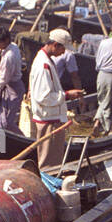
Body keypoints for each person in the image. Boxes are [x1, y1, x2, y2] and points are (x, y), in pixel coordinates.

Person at [28, 27, 84, 169]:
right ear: (55, 45)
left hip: (50, 117)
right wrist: (67, 95)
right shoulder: (43, 65)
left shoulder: (45, 60)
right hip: (48, 120)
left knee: (52, 161)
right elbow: (43, 97)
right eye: (63, 49)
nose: (64, 52)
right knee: (49, 164)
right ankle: (48, 186)